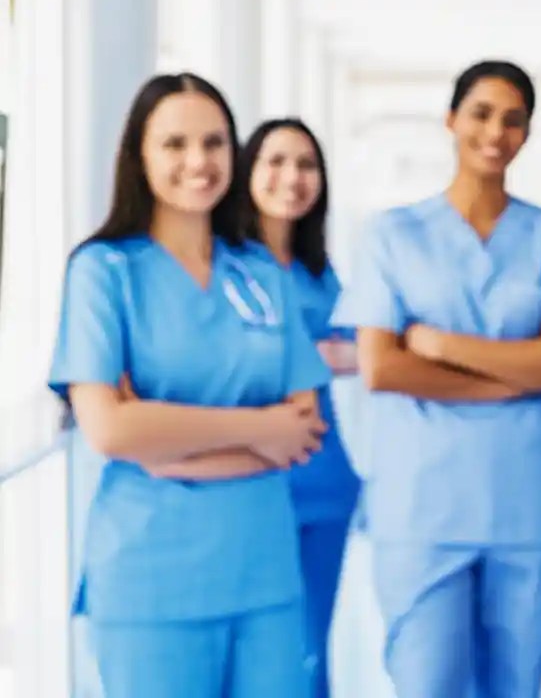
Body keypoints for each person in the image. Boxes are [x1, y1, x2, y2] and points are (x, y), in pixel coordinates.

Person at [332, 59, 541, 698]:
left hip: (529, 511)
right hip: (423, 514)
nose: (496, 131)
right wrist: (521, 371)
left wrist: (437, 344)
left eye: (513, 119)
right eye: (482, 113)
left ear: (527, 134)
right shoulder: (392, 235)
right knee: (428, 685)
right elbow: (382, 367)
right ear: (451, 119)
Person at [48, 73, 330, 698]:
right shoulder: (103, 272)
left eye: (215, 143)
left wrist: (168, 447)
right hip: (151, 578)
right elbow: (111, 430)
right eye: (175, 145)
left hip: (265, 574)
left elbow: (303, 428)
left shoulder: (259, 271)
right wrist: (259, 430)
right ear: (139, 156)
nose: (198, 162)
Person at [242, 117, 360, 698]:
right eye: (277, 161)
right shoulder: (224, 265)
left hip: (325, 478)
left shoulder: (320, 272)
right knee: (259, 649)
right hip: (249, 478)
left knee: (310, 648)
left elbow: (362, 353)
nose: (293, 177)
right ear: (248, 172)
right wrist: (318, 354)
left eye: (307, 165)